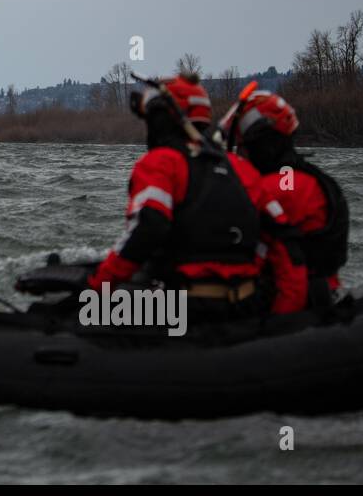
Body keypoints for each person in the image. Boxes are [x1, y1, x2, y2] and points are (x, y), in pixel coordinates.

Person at [86, 74, 300, 321]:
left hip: (185, 311)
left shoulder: (160, 163)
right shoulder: (242, 169)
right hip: (244, 307)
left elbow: (148, 227)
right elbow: (285, 243)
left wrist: (97, 289)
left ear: (160, 119)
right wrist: (285, 318)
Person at [226, 88, 349, 313]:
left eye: (243, 147)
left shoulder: (281, 187)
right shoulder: (303, 176)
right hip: (320, 291)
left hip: (300, 302)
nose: (240, 154)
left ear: (261, 144)